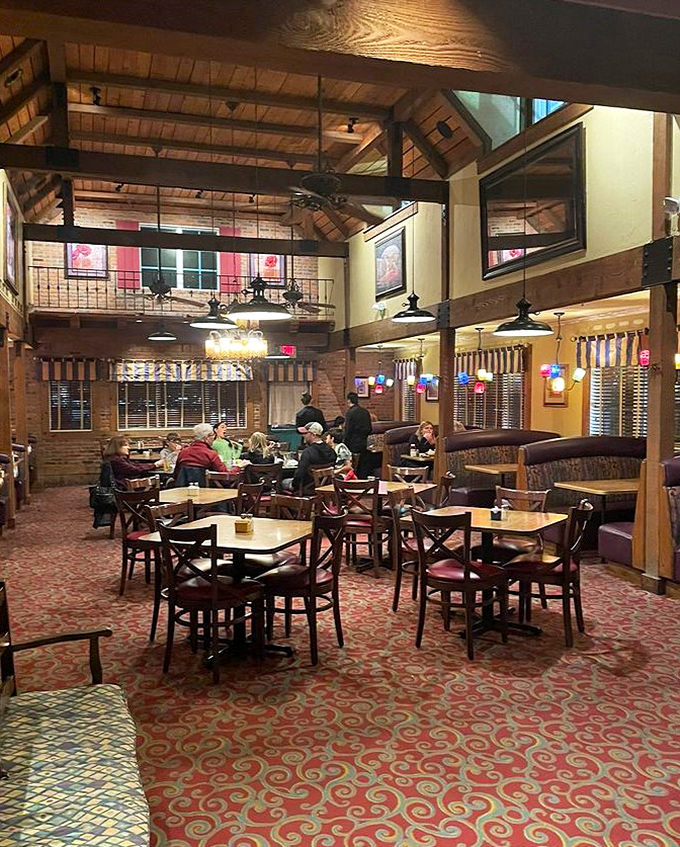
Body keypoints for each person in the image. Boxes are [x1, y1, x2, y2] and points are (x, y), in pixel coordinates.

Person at [285, 422, 336, 492]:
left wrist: (294, 486)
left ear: (313, 435)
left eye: (305, 433)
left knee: (283, 482)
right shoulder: (331, 451)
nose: (303, 436)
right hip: (325, 487)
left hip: (307, 488)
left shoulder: (308, 452)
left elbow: (299, 475)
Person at [343, 391, 372, 478]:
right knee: (362, 466)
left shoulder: (350, 413)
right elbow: (369, 429)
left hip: (352, 444)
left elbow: (348, 430)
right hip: (363, 443)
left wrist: (345, 442)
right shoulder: (365, 412)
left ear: (348, 400)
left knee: (353, 464)